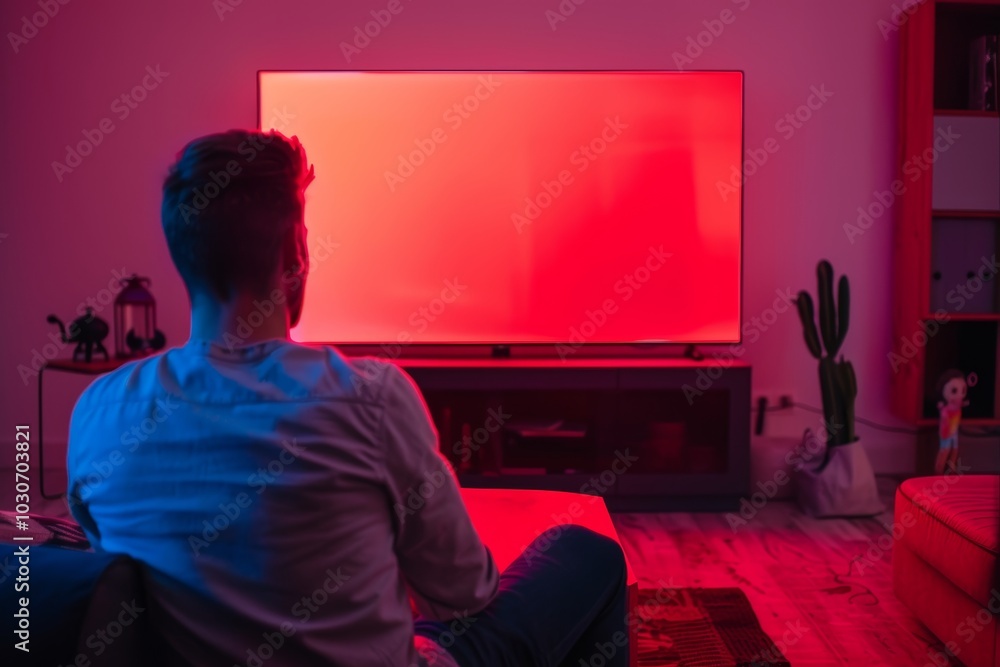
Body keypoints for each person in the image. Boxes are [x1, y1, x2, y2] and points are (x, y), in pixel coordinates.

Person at [67, 129, 629, 667]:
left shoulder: (97, 412)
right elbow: (464, 594)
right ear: (297, 256)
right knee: (585, 552)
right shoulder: (370, 398)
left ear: (182, 256)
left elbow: (113, 579)